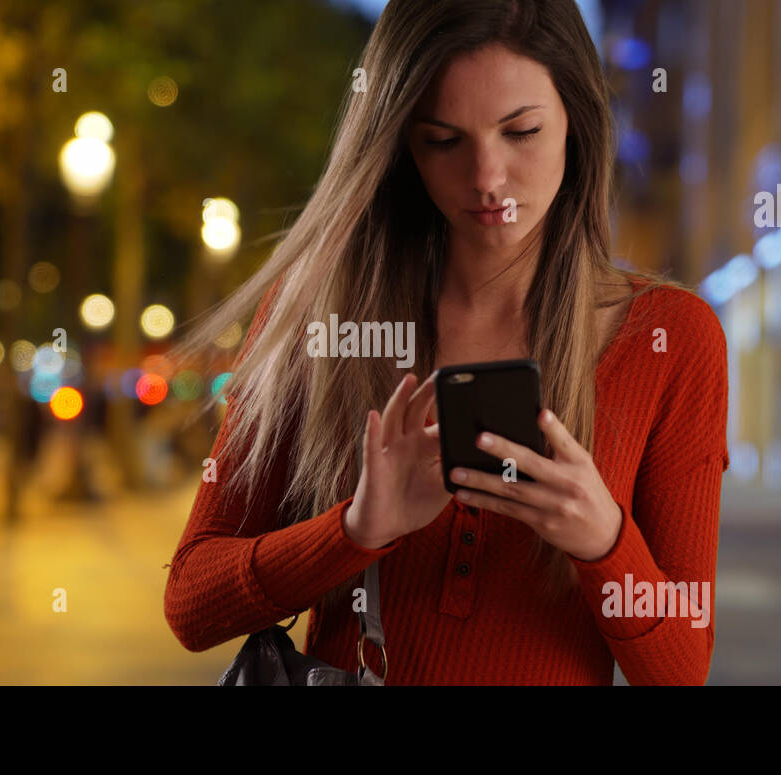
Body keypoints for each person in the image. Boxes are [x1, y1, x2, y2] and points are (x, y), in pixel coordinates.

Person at [163, 0, 729, 685]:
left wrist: (605, 541)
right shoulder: (320, 317)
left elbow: (680, 671)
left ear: (578, 122)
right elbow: (191, 601)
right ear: (401, 143)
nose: (487, 178)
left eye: (520, 131)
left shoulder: (673, 338)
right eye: (442, 140)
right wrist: (354, 530)